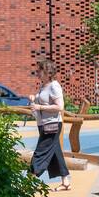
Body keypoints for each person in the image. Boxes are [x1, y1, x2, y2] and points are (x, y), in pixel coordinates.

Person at [29, 58, 70, 190]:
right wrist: (33, 98)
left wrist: (40, 107)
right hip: (43, 124)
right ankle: (66, 182)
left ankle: (29, 180)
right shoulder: (43, 86)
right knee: (55, 152)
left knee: (40, 152)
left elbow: (60, 107)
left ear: (47, 72)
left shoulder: (54, 86)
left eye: (40, 70)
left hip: (51, 125)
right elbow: (42, 101)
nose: (38, 72)